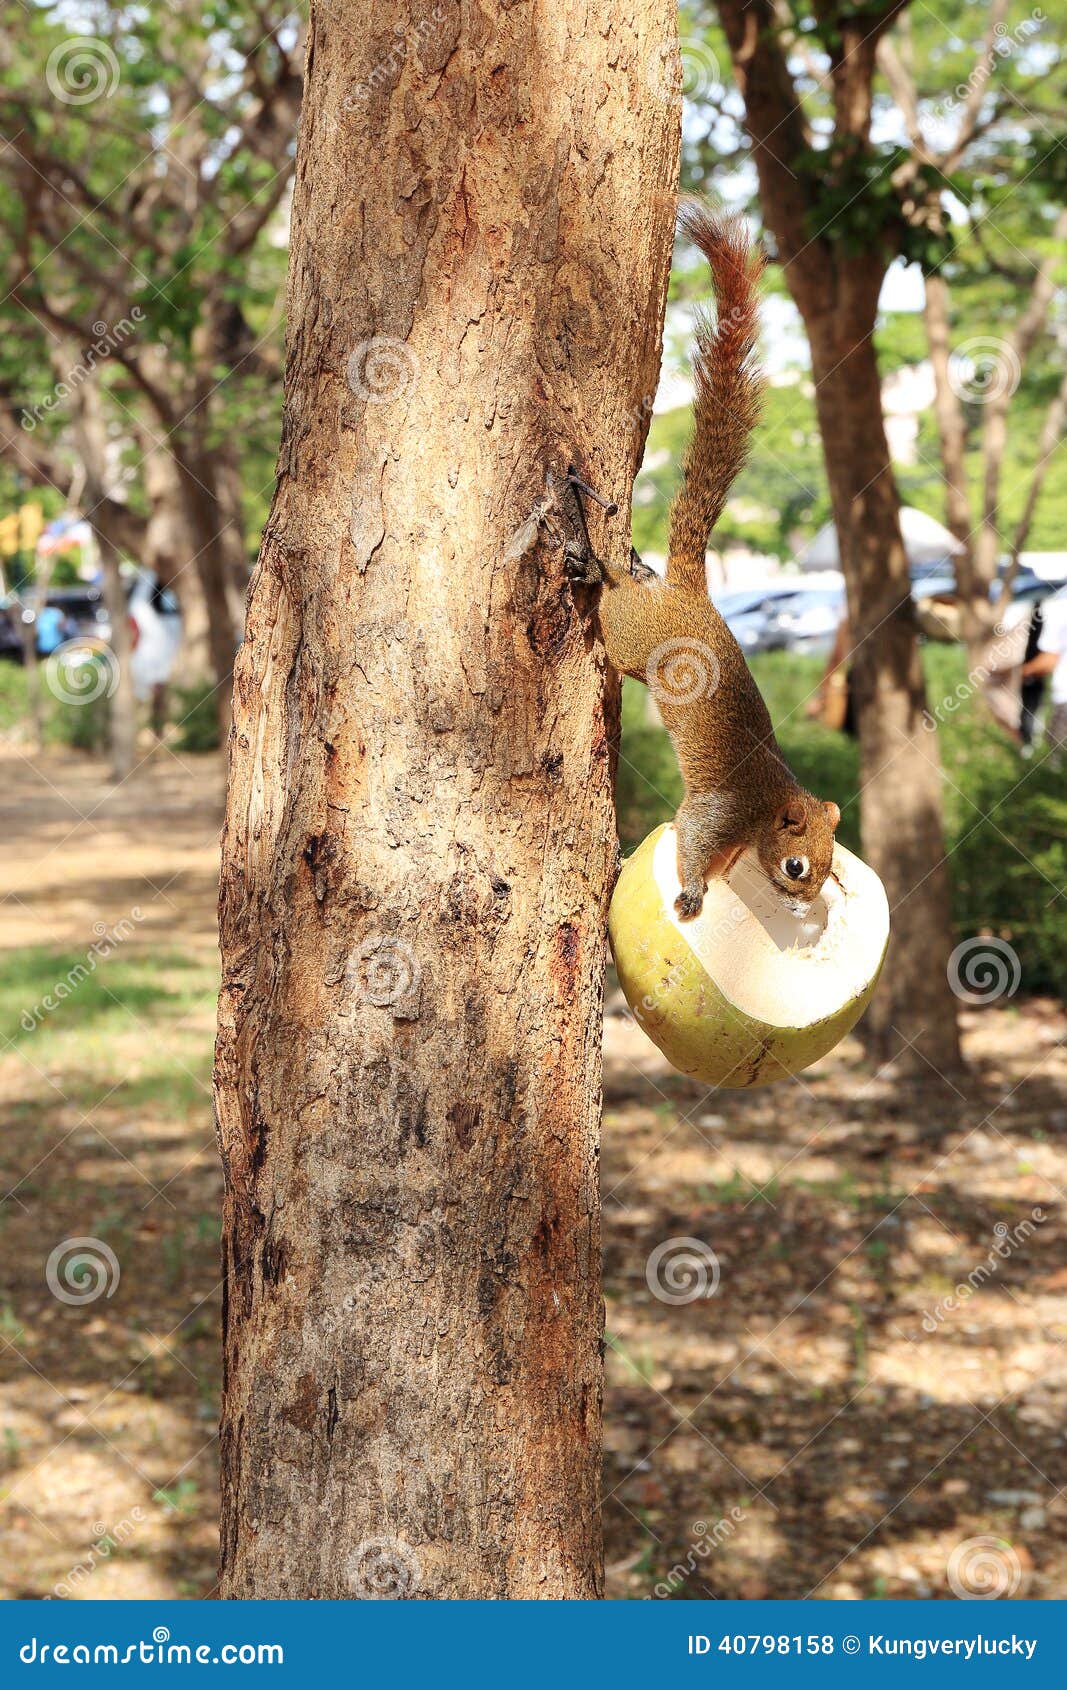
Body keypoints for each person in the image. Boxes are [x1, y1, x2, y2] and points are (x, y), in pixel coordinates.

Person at [1020, 589, 1067, 758]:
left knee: (1056, 757)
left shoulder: (1059, 606)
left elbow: (1048, 660)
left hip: (1064, 700)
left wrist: (1021, 673)